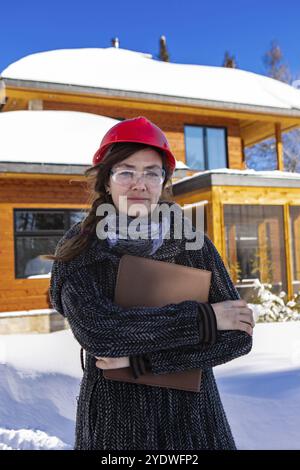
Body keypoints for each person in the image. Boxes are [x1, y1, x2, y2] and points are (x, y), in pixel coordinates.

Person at [47, 116, 254, 451]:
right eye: (126, 171)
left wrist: (142, 361)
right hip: (117, 428)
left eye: (151, 172)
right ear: (107, 181)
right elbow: (101, 333)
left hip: (195, 425)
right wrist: (206, 319)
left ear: (164, 181)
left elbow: (238, 335)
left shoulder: (192, 245)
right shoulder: (82, 247)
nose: (139, 184)